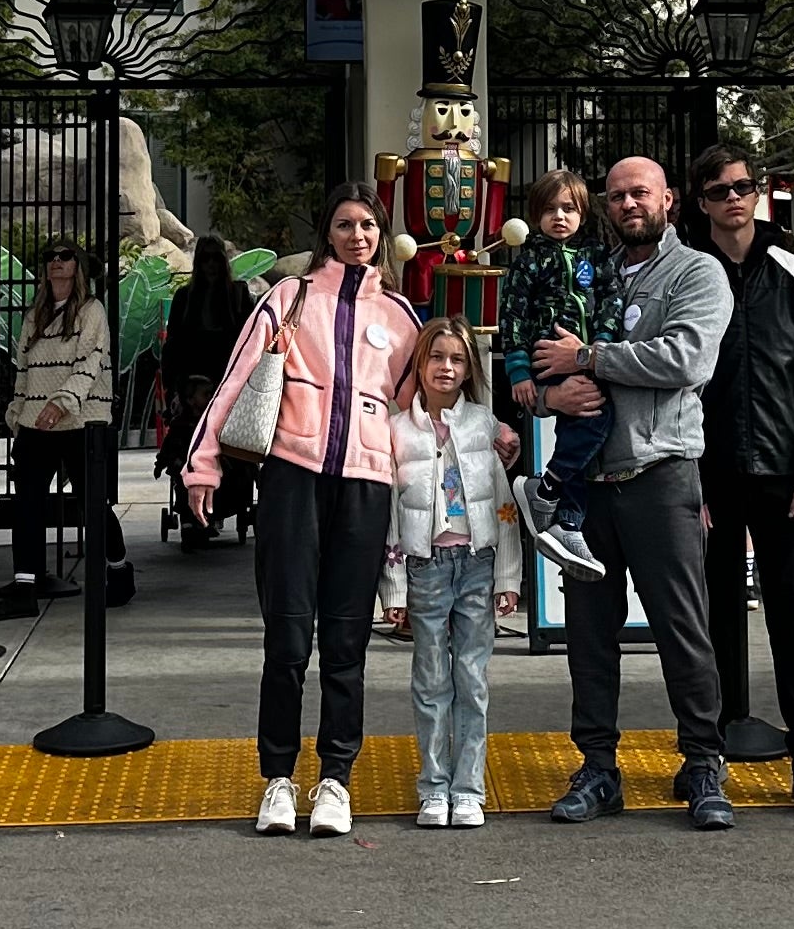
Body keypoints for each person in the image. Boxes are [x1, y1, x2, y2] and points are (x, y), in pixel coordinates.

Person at [186, 184, 422, 840]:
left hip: (366, 488)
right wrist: (203, 462)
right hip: (292, 482)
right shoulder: (287, 298)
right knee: (287, 640)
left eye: (368, 225)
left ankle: (337, 781)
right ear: (328, 232)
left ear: (380, 234)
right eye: (345, 224)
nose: (358, 236)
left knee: (346, 647)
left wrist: (481, 440)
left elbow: (421, 403)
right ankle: (279, 780)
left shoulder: (401, 315)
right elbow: (237, 379)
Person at [526, 155, 739, 831]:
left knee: (682, 628)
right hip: (589, 486)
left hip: (661, 474)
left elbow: (685, 359)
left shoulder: (697, 272)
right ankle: (597, 768)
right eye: (615, 197)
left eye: (638, 193)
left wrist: (589, 358)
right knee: (589, 636)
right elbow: (538, 358)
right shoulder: (585, 268)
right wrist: (549, 389)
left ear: (669, 200)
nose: (627, 205)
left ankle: (703, 761)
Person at [689, 143, 794, 817]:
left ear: (759, 194)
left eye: (743, 186)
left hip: (784, 476)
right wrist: (688, 483)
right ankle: (708, 756)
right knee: (713, 618)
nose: (733, 198)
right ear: (700, 201)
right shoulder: (688, 273)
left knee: (791, 616)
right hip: (710, 475)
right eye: (720, 189)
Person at [381, 318, 524, 829]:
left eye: (457, 359)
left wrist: (509, 578)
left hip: (478, 566)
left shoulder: (485, 425)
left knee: (472, 678)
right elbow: (393, 518)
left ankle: (469, 789)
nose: (446, 367)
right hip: (424, 569)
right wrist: (393, 585)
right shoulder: (396, 431)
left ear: (470, 369)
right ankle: (433, 788)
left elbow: (504, 508)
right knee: (430, 680)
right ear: (419, 364)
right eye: (436, 357)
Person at [0, 239, 127, 622]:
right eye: (50, 257)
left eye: (65, 257)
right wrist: (17, 414)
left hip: (82, 420)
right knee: (27, 503)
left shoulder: (91, 312)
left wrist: (61, 403)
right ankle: (25, 586)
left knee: (91, 503)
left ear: (78, 266)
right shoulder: (35, 315)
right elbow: (24, 370)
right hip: (35, 420)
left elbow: (90, 364)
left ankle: (118, 569)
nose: (56, 263)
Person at [494, 165, 612, 580]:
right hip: (546, 362)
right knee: (594, 421)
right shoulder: (528, 261)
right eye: (549, 210)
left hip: (588, 358)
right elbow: (511, 318)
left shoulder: (595, 256)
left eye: (568, 208)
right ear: (535, 215)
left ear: (582, 213)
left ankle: (567, 521)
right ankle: (544, 488)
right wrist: (518, 370)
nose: (559, 217)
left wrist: (600, 345)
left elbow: (610, 302)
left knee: (580, 435)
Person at [153, 235, 253, 546]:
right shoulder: (186, 298)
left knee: (230, 450)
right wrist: (172, 390)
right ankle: (190, 513)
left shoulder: (238, 295)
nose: (210, 265)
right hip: (192, 386)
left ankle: (221, 507)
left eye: (215, 259)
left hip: (228, 386)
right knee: (188, 444)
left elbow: (251, 341)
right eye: (205, 259)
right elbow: (174, 346)